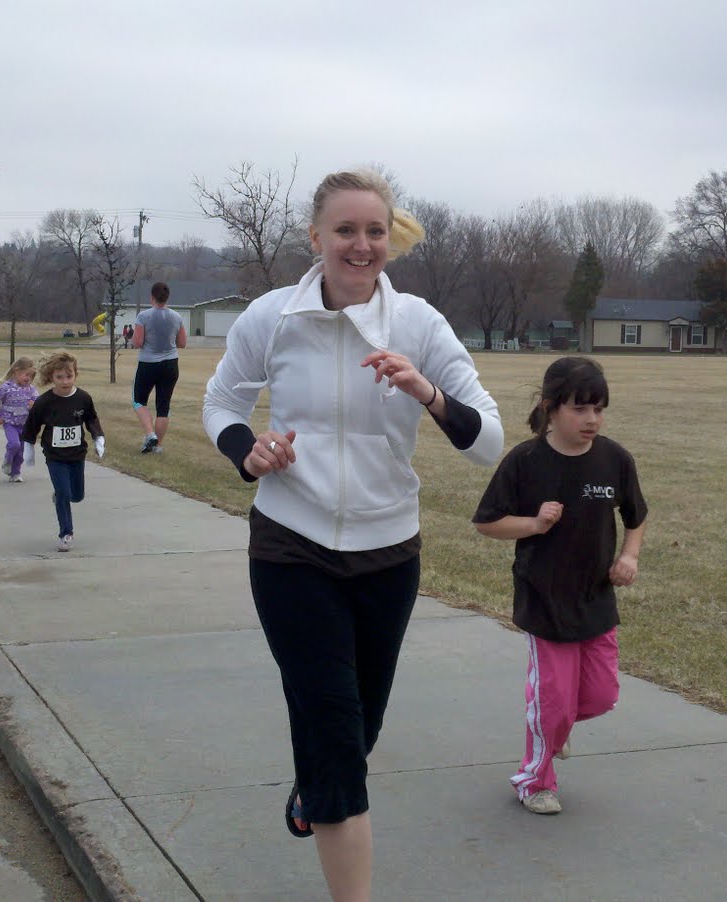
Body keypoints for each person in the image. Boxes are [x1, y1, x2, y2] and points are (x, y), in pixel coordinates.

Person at [202, 168, 503, 902]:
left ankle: (316, 791)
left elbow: (488, 440)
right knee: (337, 738)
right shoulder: (272, 317)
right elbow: (221, 401)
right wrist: (248, 449)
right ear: (316, 237)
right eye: (345, 230)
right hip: (290, 545)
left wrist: (425, 390)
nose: (360, 245)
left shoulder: (420, 326)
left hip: (387, 554)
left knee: (358, 727)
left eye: (374, 231)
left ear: (388, 239)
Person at [472, 356, 647, 816]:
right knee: (552, 703)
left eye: (599, 409)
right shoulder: (526, 461)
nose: (592, 419)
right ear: (551, 408)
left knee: (601, 696)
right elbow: (487, 524)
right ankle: (535, 781)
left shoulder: (614, 459)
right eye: (580, 409)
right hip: (545, 601)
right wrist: (533, 522)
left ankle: (559, 726)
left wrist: (628, 557)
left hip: (596, 600)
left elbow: (636, 517)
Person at [20, 351, 103, 552]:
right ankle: (66, 533)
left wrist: (98, 437)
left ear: (75, 375)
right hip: (55, 457)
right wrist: (28, 449)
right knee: (64, 493)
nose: (65, 381)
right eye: (59, 377)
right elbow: (32, 426)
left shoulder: (83, 398)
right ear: (51, 377)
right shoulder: (44, 402)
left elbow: (91, 419)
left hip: (77, 455)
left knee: (77, 495)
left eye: (69, 376)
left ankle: (60, 497)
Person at [131, 282, 187, 453]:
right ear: (167, 297)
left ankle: (150, 435)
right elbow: (182, 343)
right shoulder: (177, 317)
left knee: (139, 401)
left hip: (148, 363)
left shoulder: (143, 316)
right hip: (170, 364)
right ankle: (157, 446)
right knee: (163, 406)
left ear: (152, 297)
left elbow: (137, 342)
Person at [0, 356, 39, 483]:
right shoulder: (6, 388)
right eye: (26, 375)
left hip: (25, 425)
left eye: (31, 376)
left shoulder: (32, 390)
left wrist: (34, 407)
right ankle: (7, 461)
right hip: (10, 423)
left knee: (21, 451)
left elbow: (39, 406)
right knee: (14, 444)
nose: (28, 378)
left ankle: (16, 472)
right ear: (16, 371)